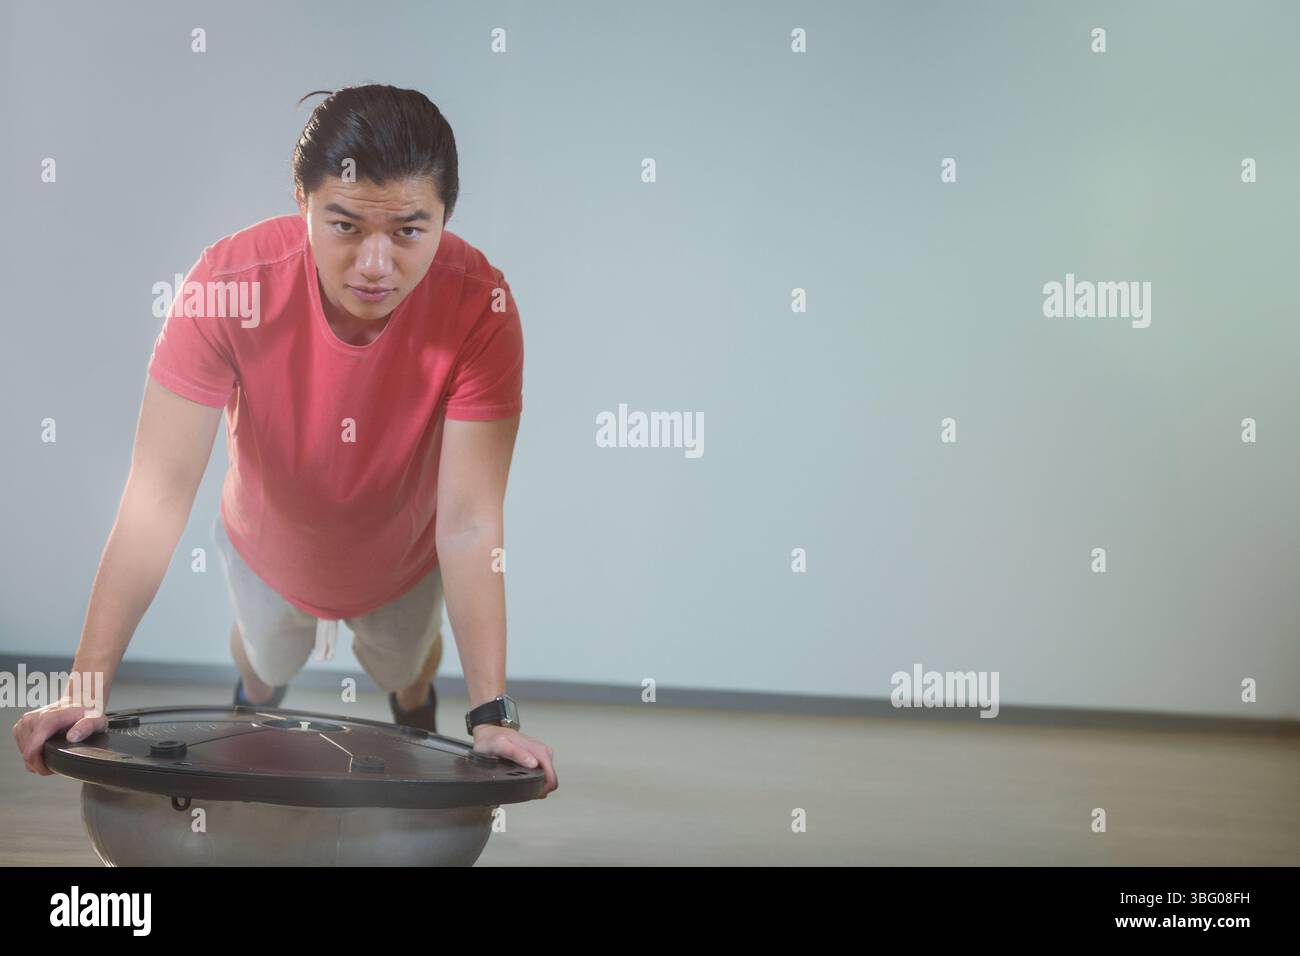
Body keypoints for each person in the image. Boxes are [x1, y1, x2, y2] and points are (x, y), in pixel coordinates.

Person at [13, 84, 557, 798]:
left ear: (445, 218)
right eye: (345, 225)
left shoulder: (480, 303)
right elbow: (156, 496)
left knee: (405, 667)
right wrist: (84, 685)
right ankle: (253, 696)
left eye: (408, 232)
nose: (374, 264)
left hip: (402, 555)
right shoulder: (227, 286)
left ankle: (411, 695)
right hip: (268, 547)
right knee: (266, 661)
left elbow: (470, 522)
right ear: (301, 201)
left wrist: (490, 715)